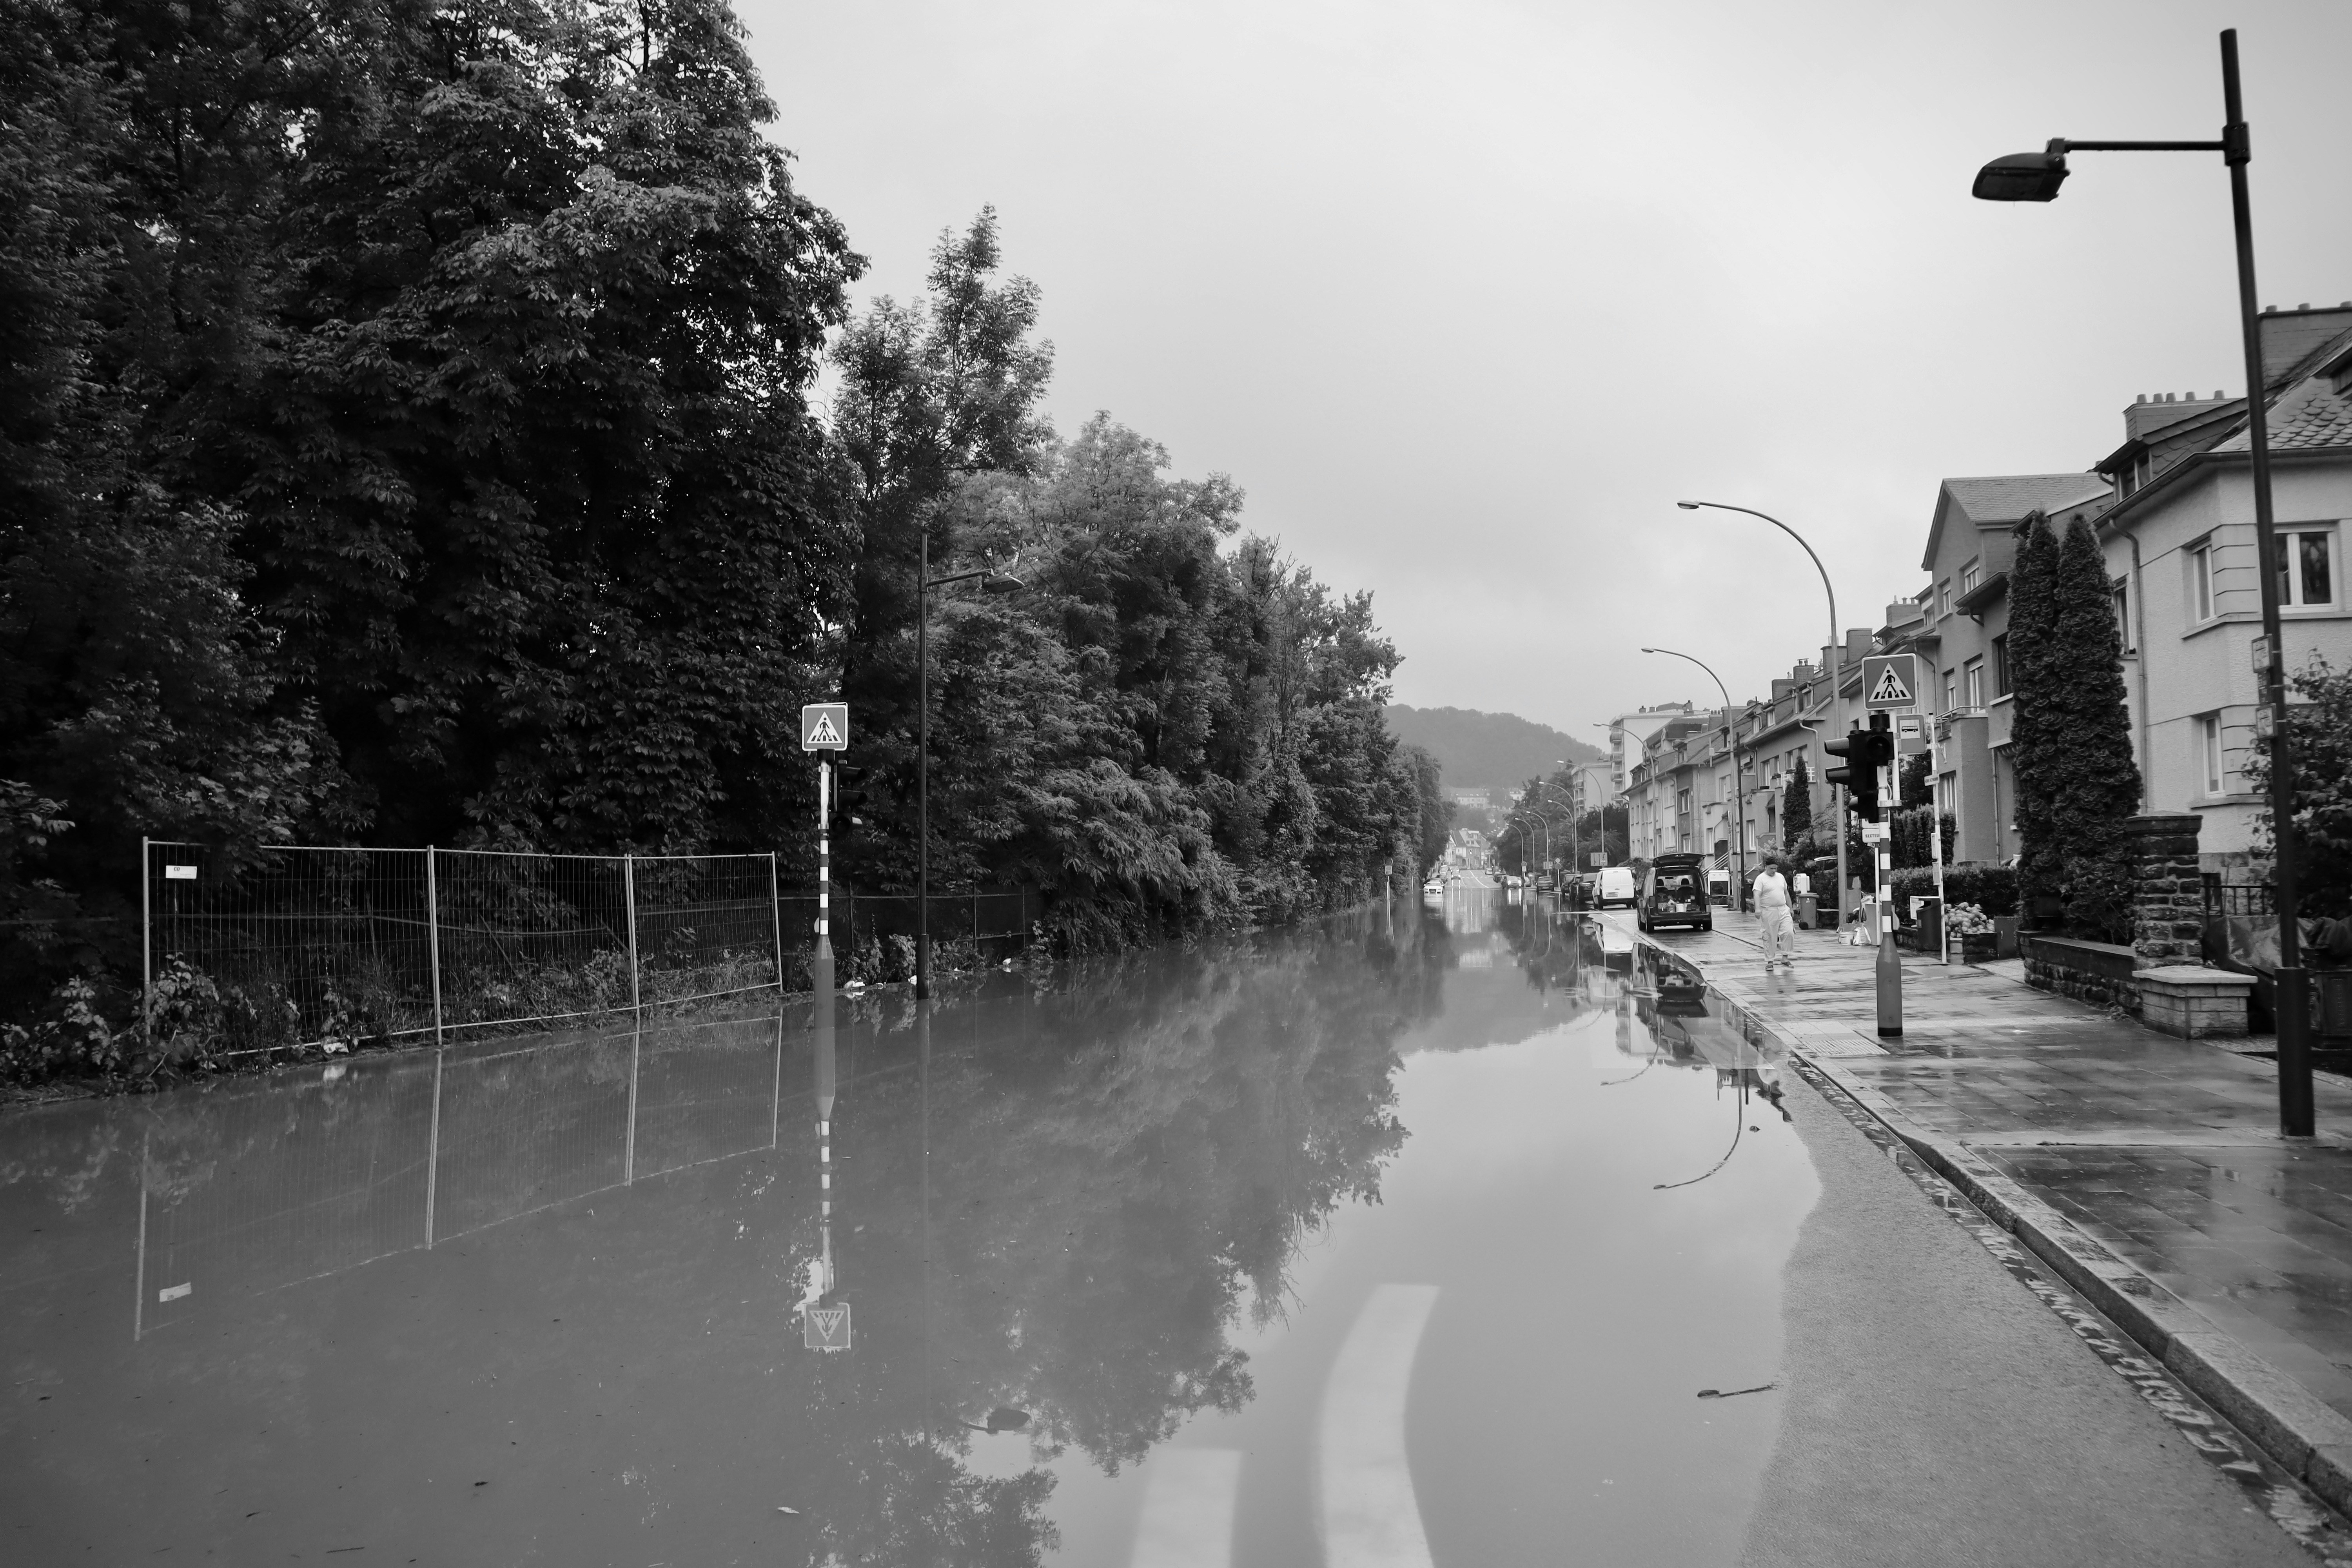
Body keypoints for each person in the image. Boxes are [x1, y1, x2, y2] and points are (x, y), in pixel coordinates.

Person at [1753, 859, 1797, 970]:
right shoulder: (1761, 879)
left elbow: (1786, 893)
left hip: (1783, 909)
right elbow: (1757, 895)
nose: (1774, 871)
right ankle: (1770, 962)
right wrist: (1758, 909)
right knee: (1770, 937)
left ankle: (1785, 958)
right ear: (1765, 867)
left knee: (1789, 933)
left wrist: (1791, 908)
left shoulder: (1781, 877)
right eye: (1771, 868)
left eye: (1775, 868)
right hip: (1768, 910)